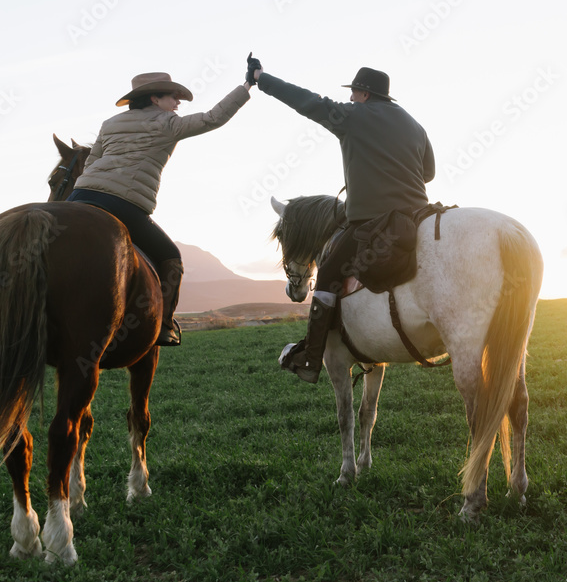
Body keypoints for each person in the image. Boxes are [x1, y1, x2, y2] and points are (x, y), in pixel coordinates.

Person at [249, 57, 435, 382]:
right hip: (418, 217)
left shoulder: (351, 116)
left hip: (372, 220)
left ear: (364, 94)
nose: (350, 98)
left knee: (327, 276)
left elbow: (307, 101)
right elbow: (428, 173)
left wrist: (261, 79)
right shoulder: (414, 124)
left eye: (353, 93)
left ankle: (310, 358)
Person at [68, 70, 252, 346]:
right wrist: (247, 86)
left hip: (80, 196)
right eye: (173, 97)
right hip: (121, 203)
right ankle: (163, 325)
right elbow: (213, 118)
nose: (178, 102)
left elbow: (92, 162)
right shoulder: (167, 123)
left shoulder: (110, 123)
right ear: (154, 98)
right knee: (171, 257)